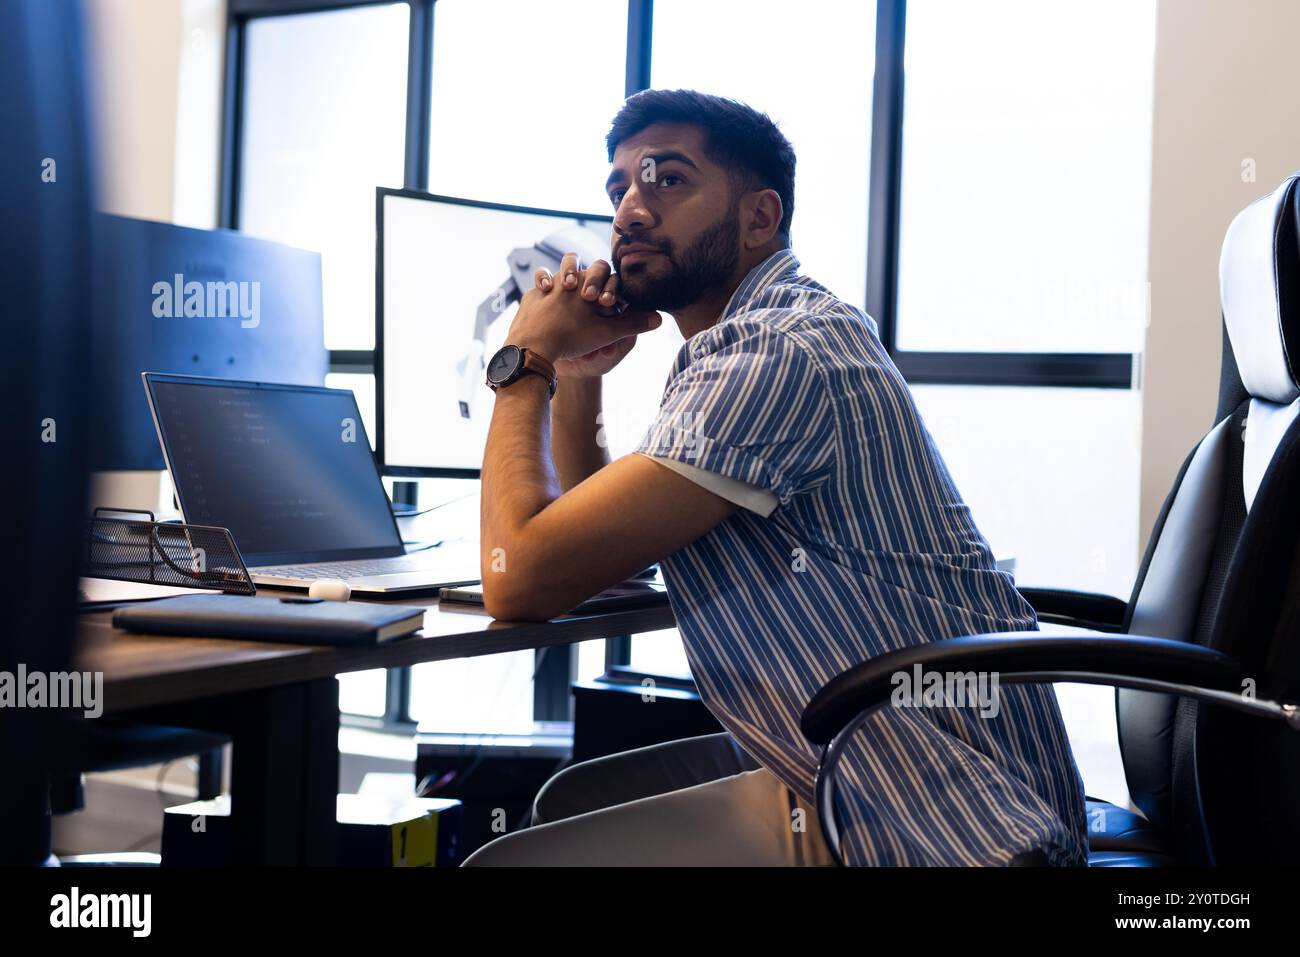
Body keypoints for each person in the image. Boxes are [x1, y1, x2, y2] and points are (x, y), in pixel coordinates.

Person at [464, 89, 1087, 866]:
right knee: (568, 801)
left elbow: (517, 576)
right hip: (846, 756)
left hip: (950, 812)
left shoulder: (775, 351)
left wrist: (523, 363)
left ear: (760, 218)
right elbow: (596, 559)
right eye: (619, 186)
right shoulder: (754, 338)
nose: (628, 209)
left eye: (666, 179)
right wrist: (579, 374)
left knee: (508, 860)